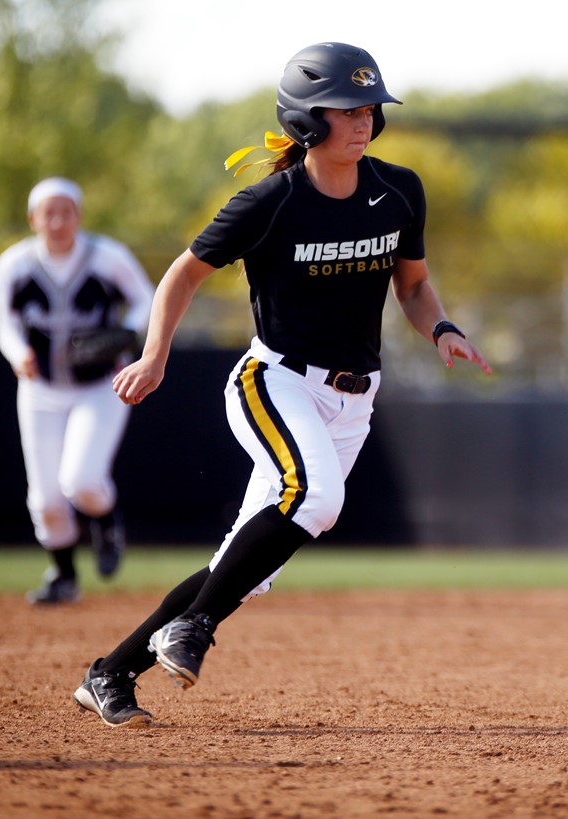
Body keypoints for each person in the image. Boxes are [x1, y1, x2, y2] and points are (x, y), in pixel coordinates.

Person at [72, 42, 492, 727]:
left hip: (355, 400)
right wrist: (154, 356)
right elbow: (183, 273)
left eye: (371, 109)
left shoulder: (398, 191)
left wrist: (441, 326)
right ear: (305, 119)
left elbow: (412, 287)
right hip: (277, 382)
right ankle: (195, 626)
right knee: (317, 497)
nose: (363, 121)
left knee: (246, 566)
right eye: (346, 109)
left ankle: (110, 671)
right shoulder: (272, 201)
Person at [0, 177, 155, 604]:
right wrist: (16, 351)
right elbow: (4, 321)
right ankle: (63, 576)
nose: (58, 221)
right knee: (44, 498)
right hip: (40, 387)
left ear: (78, 216)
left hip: (100, 385)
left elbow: (147, 299)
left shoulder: (106, 257)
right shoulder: (15, 263)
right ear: (33, 219)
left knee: (81, 481)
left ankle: (105, 521)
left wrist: (126, 334)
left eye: (66, 212)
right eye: (48, 213)